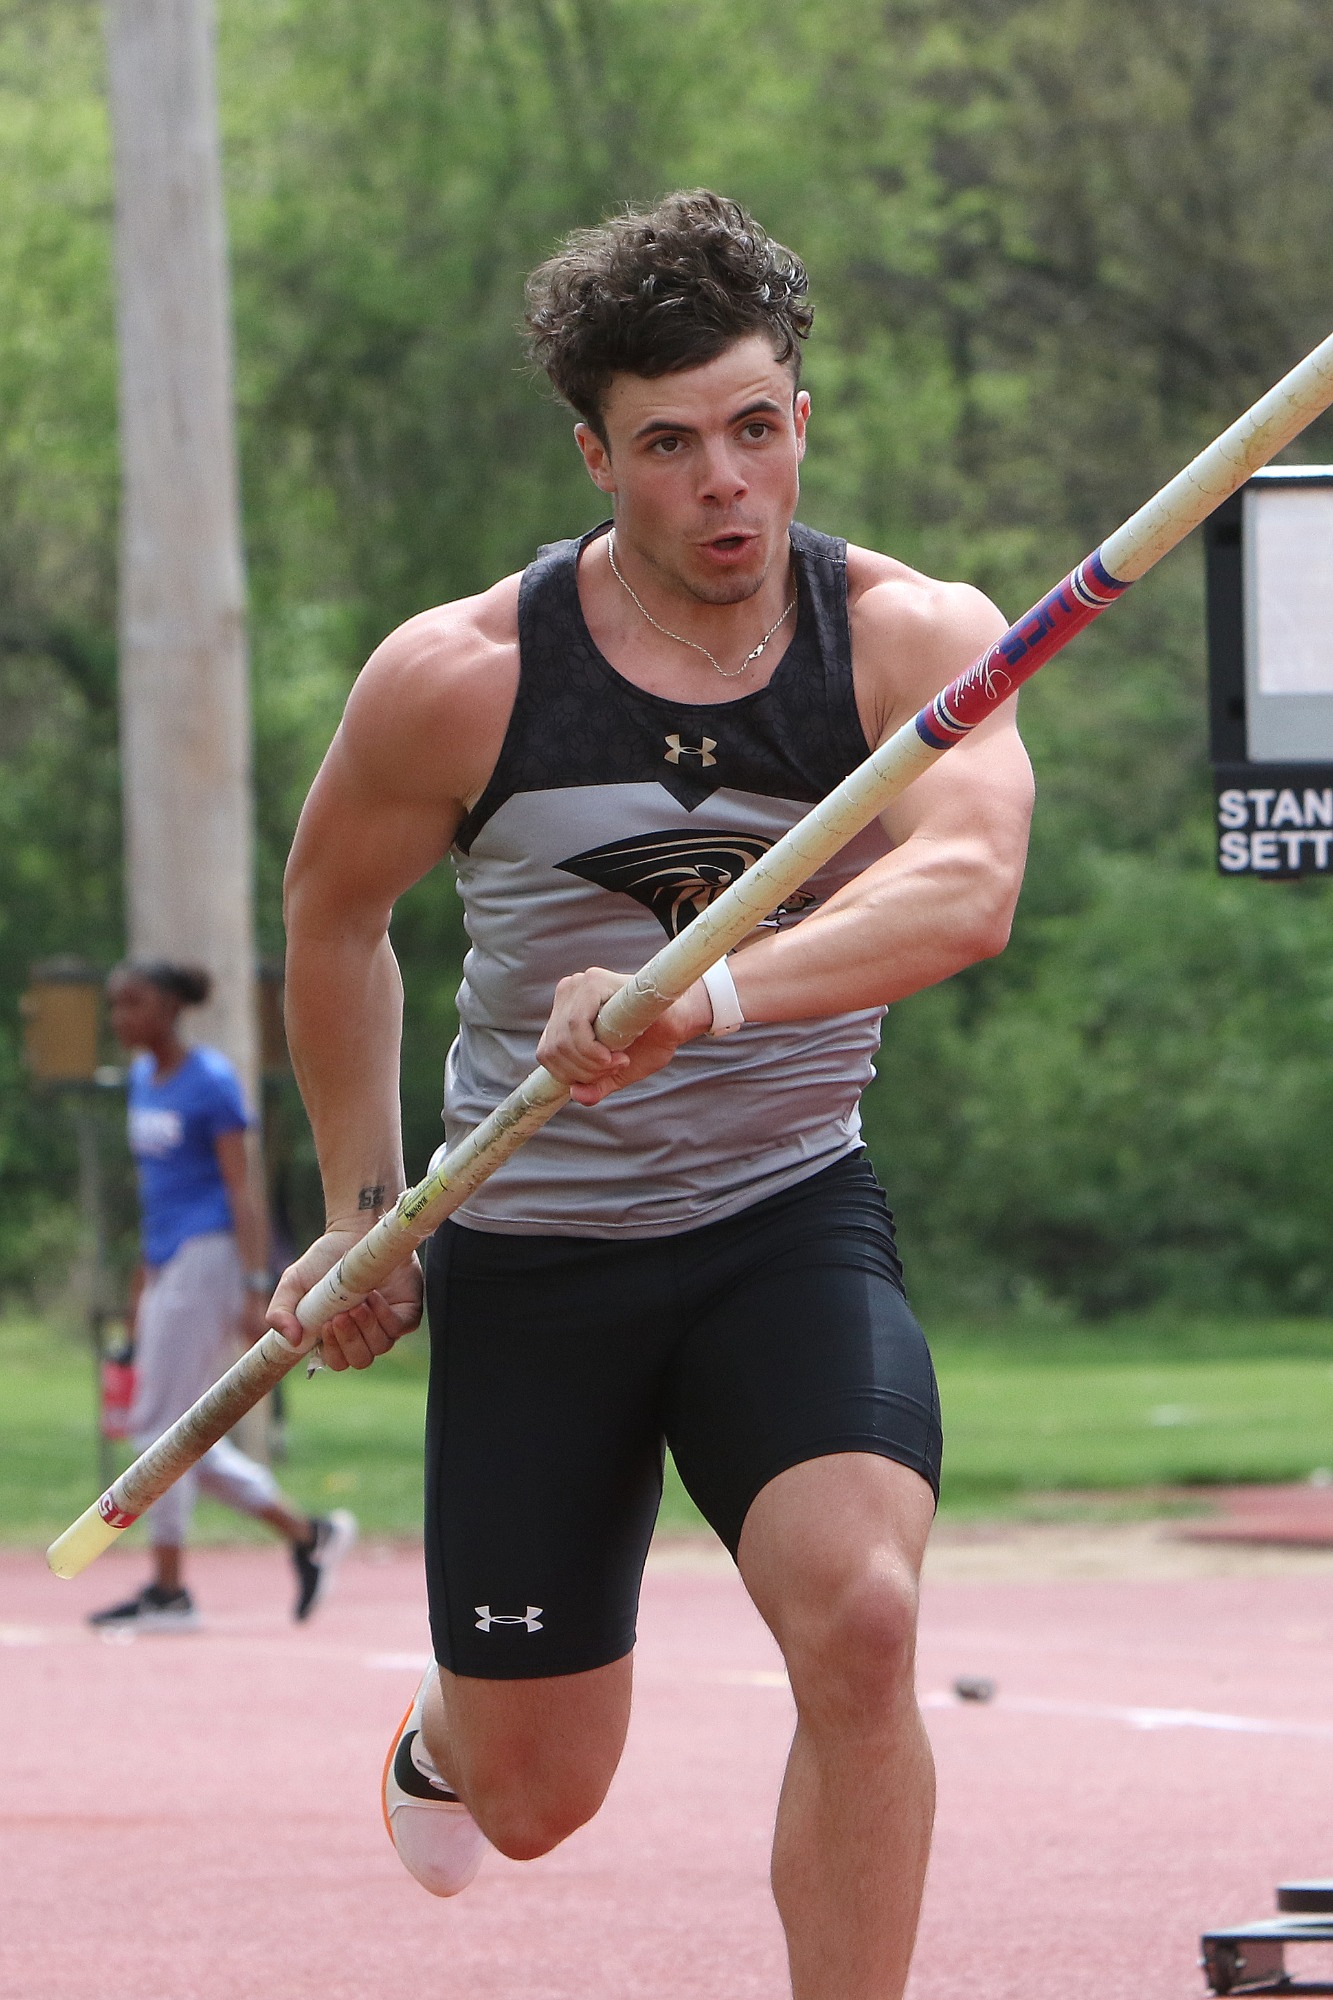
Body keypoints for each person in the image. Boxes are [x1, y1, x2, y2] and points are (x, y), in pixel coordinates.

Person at [272, 190, 1034, 1999]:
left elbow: (964, 892)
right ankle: (460, 1730)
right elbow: (332, 922)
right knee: (534, 1806)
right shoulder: (464, 679)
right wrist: (361, 1211)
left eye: (755, 429)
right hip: (535, 1246)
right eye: (671, 443)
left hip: (784, 1216)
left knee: (860, 1620)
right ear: (592, 450)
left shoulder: (906, 646)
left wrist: (707, 1002)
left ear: (800, 424)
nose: (724, 486)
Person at [89, 960, 356, 1632]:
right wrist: (140, 1286)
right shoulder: (143, 1082)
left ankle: (171, 1591)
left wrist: (253, 1282)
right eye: (115, 1005)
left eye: (134, 1003)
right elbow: (156, 1196)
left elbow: (243, 1189)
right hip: (165, 1260)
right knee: (179, 1433)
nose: (120, 1017)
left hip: (210, 1256)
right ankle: (306, 1533)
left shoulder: (209, 1081)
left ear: (171, 1008)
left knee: (160, 1431)